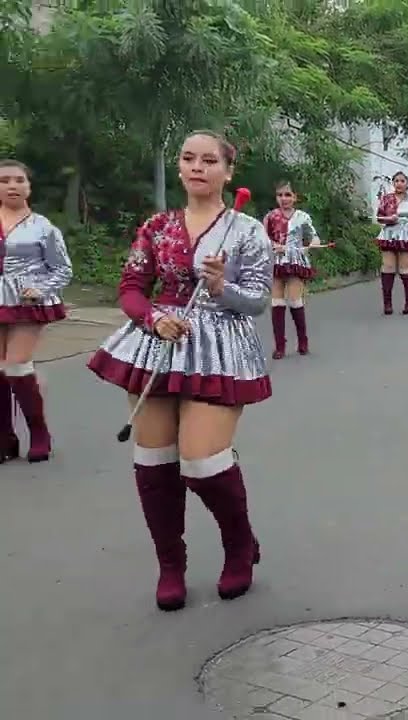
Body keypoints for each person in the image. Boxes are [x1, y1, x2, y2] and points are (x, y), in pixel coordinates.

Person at [87, 130, 273, 611]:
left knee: (202, 460)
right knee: (154, 461)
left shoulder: (246, 230)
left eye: (209, 160)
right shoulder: (156, 226)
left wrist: (219, 287)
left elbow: (256, 300)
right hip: (158, 343)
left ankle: (240, 546)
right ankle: (171, 564)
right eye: (189, 158)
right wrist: (152, 317)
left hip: (220, 348)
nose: (197, 167)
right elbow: (130, 287)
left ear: (228, 172)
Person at [0, 159, 73, 462]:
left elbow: (63, 269)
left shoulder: (43, 227)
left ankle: (39, 432)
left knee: (16, 364)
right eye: (4, 181)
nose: (12, 186)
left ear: (29, 186)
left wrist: (40, 289)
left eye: (19, 180)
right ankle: (5, 438)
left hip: (29, 302)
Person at [264, 181, 322, 359]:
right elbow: (262, 239)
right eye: (280, 195)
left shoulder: (303, 217)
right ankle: (280, 345)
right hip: (276, 261)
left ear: (295, 197)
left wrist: (313, 243)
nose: (284, 198)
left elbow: (313, 236)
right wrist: (274, 246)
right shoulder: (270, 217)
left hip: (295, 260)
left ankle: (302, 341)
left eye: (288, 195)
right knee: (276, 302)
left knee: (295, 300)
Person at [374, 171, 408, 315]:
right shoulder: (386, 199)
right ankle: (387, 304)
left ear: (407, 183)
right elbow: (379, 217)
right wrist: (388, 219)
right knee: (388, 267)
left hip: (406, 234)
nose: (399, 183)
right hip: (389, 233)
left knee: (406, 268)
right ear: (393, 183)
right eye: (396, 181)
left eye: (402, 181)